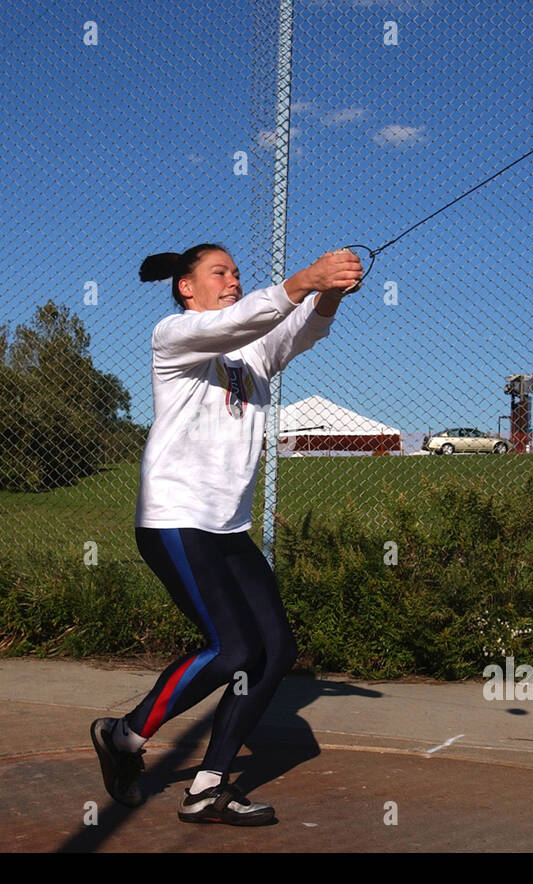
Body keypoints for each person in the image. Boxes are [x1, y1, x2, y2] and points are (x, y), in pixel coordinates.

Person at [91, 243, 362, 825]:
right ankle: (125, 735)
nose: (234, 280)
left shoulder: (254, 351)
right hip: (175, 518)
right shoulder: (175, 335)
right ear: (187, 287)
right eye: (221, 272)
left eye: (238, 273)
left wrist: (330, 291)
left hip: (228, 528)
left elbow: (302, 329)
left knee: (275, 651)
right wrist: (306, 278)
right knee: (232, 648)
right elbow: (253, 315)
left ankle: (209, 787)